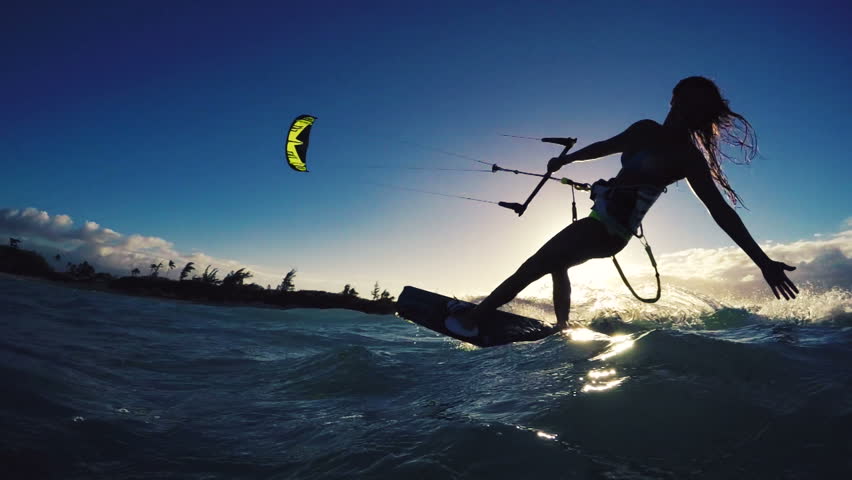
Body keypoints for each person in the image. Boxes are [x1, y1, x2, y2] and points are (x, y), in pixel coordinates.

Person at [446, 76, 799, 337]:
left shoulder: (688, 158)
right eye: (687, 102)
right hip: (600, 222)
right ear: (674, 99)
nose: (689, 111)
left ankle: (475, 318)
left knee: (537, 263)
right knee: (556, 263)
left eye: (698, 107)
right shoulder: (644, 130)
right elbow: (605, 146)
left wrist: (762, 261)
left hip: (610, 232)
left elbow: (720, 211)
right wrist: (567, 160)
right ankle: (562, 328)